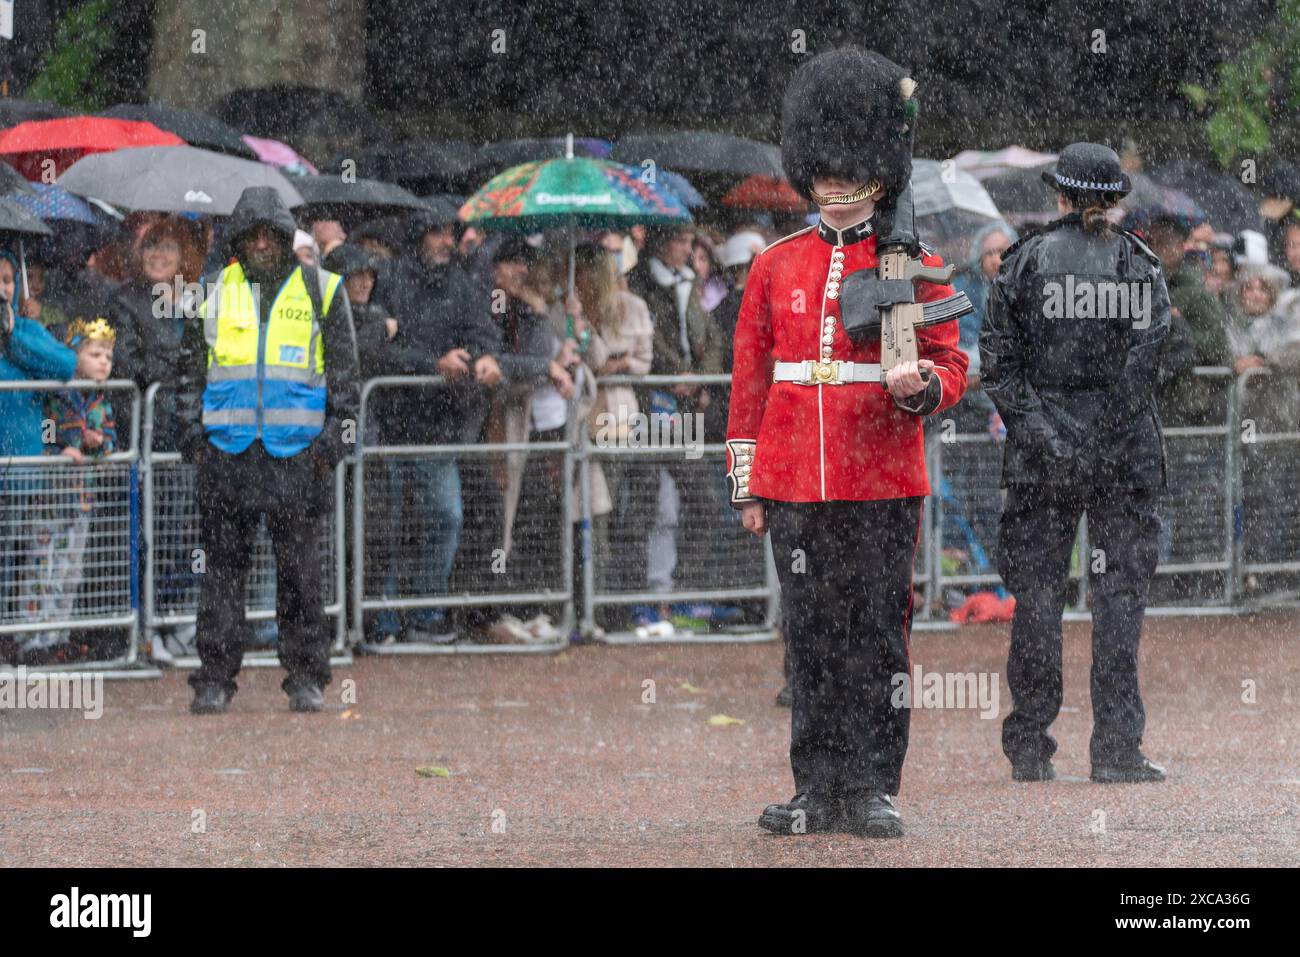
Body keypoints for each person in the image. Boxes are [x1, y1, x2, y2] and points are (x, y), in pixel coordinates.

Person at [729, 48, 969, 837]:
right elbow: (751, 383)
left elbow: (952, 361)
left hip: (882, 476)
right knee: (809, 640)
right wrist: (749, 482)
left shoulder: (913, 261)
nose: (832, 185)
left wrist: (926, 388)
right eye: (821, 172)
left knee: (876, 639)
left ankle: (870, 784)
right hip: (795, 478)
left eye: (846, 171)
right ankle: (815, 786)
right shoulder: (774, 265)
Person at [981, 142, 1171, 785]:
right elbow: (1149, 365)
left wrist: (1047, 438)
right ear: (1114, 200)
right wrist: (1102, 436)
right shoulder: (1139, 265)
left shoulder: (1021, 263)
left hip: (1042, 458)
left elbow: (999, 367)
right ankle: (1116, 749)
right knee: (1119, 602)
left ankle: (1031, 745)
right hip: (1123, 455)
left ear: (1058, 195)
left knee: (1037, 600)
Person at [175, 186, 361, 714]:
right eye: (251, 234)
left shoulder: (323, 290)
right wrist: (197, 442)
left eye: (269, 234)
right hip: (227, 455)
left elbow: (346, 386)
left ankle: (306, 676)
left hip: (296, 457)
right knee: (221, 578)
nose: (260, 243)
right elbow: (186, 374)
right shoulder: (209, 290)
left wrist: (328, 449)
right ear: (237, 240)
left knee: (301, 577)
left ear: (284, 237)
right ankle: (213, 677)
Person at [18, 318, 118, 663]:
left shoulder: (101, 399)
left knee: (69, 571)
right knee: (42, 569)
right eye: (95, 354)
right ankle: (32, 637)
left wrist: (98, 443)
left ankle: (58, 635)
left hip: (81, 501)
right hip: (50, 498)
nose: (104, 361)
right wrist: (62, 449)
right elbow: (42, 430)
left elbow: (111, 441)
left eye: (107, 355)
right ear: (74, 355)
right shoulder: (55, 392)